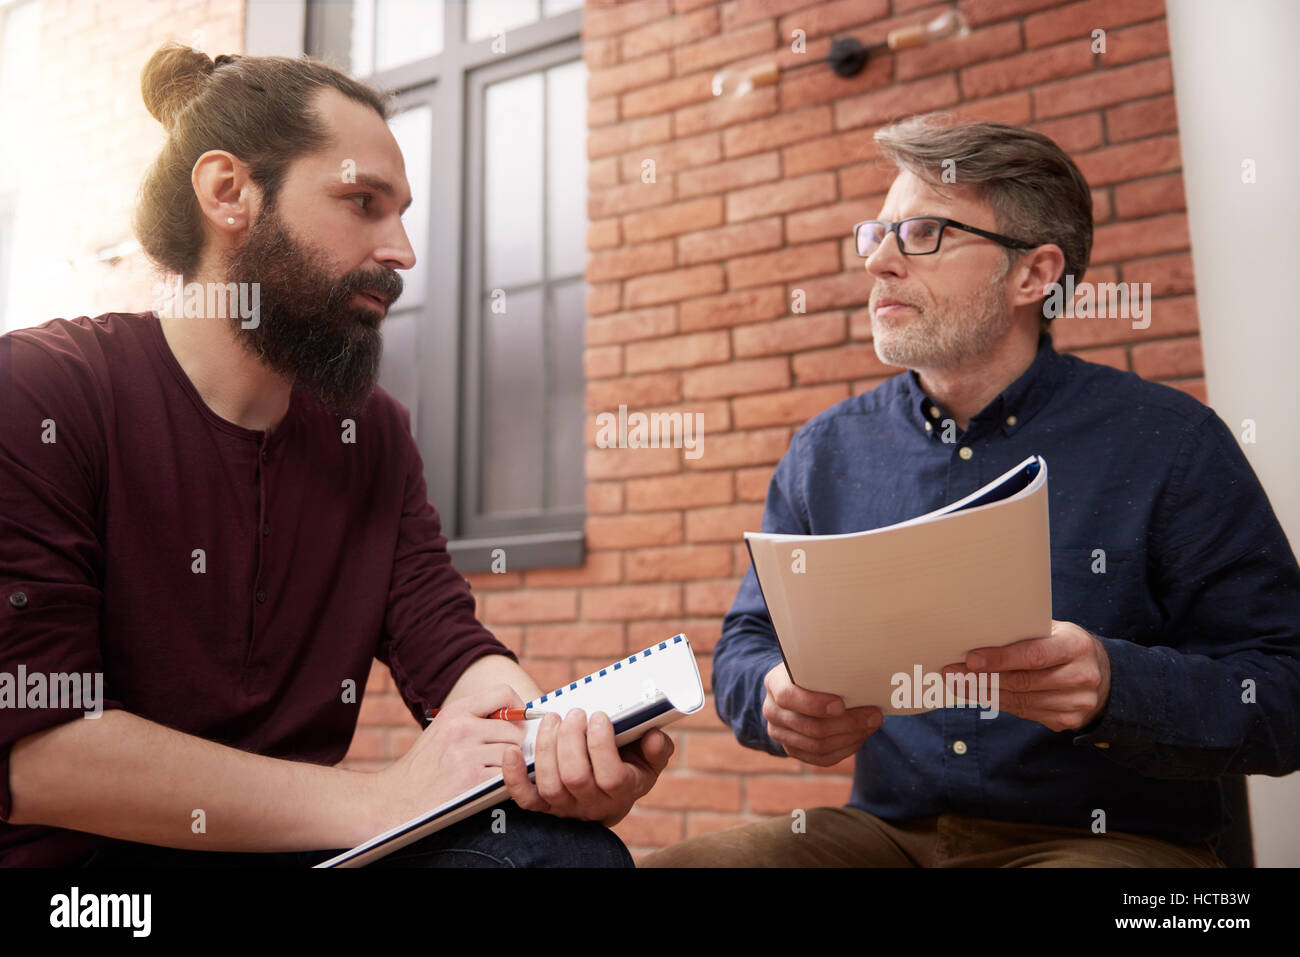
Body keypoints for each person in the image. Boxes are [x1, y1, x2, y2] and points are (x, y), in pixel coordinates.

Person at [0, 44, 672, 868]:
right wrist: (379, 799)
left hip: (309, 852)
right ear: (228, 192)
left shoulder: (373, 434)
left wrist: (544, 745)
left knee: (561, 854)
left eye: (403, 212)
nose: (403, 253)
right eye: (362, 202)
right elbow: (36, 751)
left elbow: (448, 646)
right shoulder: (40, 392)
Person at [643, 116, 1300, 868]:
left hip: (1109, 841)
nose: (880, 263)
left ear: (1033, 275)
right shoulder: (825, 451)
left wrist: (1117, 685)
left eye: (923, 233)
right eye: (876, 234)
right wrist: (770, 693)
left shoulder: (1173, 442)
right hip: (886, 836)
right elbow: (745, 643)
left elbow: (1283, 686)